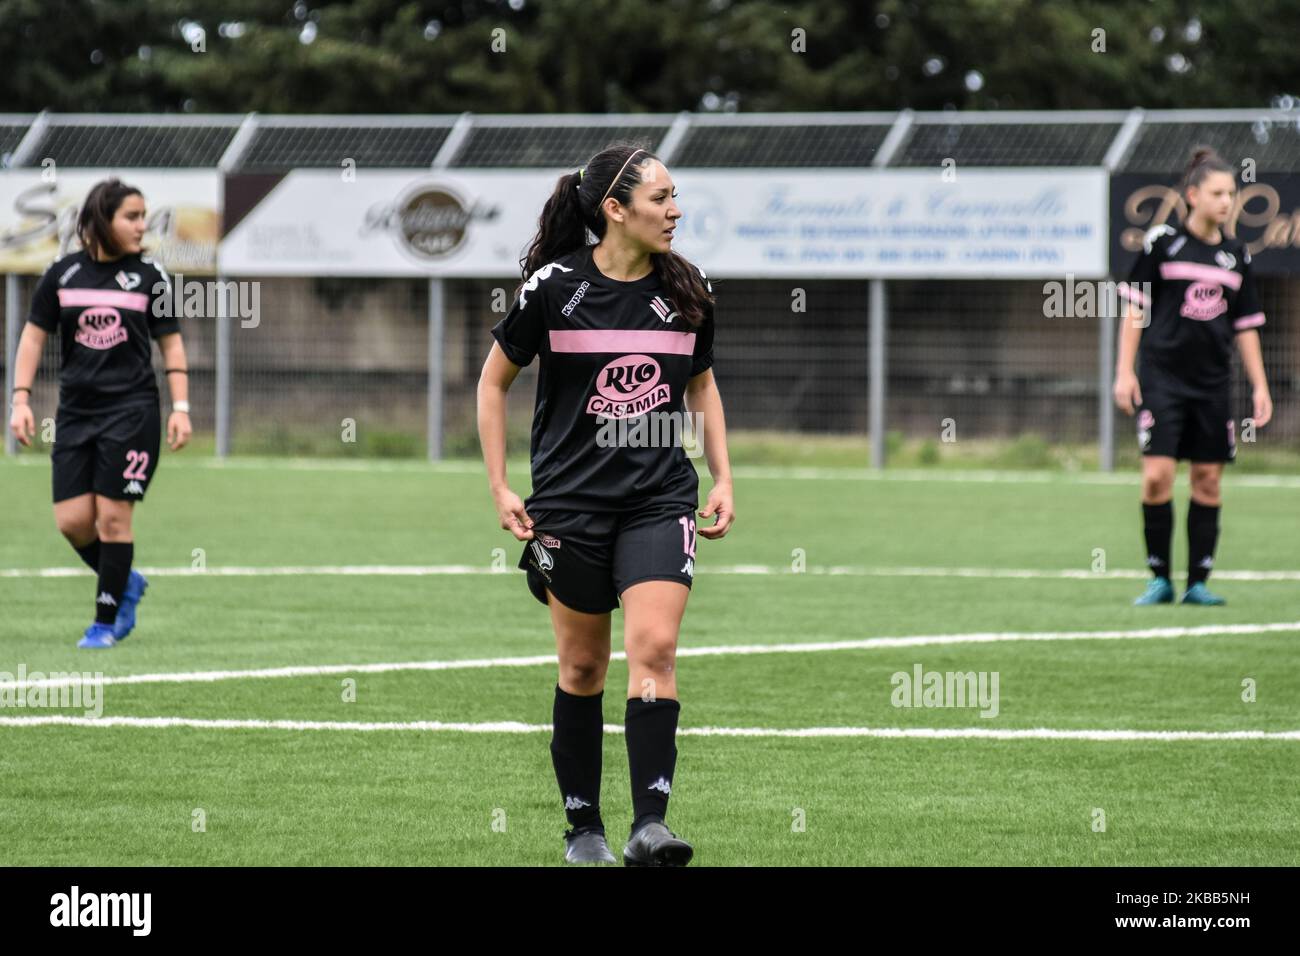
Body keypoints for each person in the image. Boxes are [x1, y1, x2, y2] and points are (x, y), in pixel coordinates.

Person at [477, 144, 734, 866]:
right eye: (661, 199)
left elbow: (702, 387)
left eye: (676, 196)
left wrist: (721, 476)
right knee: (583, 667)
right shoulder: (552, 288)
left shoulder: (688, 287)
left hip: (658, 500)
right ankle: (582, 829)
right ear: (614, 211)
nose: (675, 210)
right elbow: (492, 383)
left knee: (654, 649)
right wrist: (500, 485)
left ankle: (649, 825)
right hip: (569, 505)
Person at [8, 178, 192, 647]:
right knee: (72, 521)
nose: (141, 226)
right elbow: (32, 337)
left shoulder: (152, 277)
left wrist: (181, 408)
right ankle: (125, 579)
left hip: (132, 413)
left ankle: (104, 622)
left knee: (113, 519)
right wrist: (21, 398)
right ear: (100, 220)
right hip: (75, 413)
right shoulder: (62, 274)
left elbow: (171, 345)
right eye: (131, 216)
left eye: (143, 216)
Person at [1114, 147, 1272, 606]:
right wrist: (1125, 372)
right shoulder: (1162, 243)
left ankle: (1198, 582)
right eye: (1218, 193)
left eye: (1231, 194)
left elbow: (1246, 328)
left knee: (1207, 479)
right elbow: (1135, 309)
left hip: (1212, 386)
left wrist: (1260, 385)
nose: (1226, 201)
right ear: (1193, 195)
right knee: (1157, 478)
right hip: (1162, 380)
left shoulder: (1236, 255)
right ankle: (1159, 578)